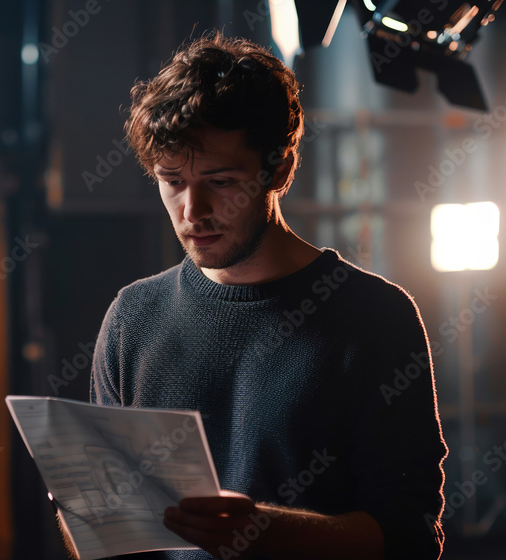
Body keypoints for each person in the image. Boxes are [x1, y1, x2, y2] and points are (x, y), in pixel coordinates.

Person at [88, 31, 447, 559]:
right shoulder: (132, 318)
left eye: (222, 180)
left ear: (278, 167)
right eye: (172, 181)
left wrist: (262, 531)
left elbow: (410, 537)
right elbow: (108, 538)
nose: (193, 210)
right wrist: (86, 516)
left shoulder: (376, 317)